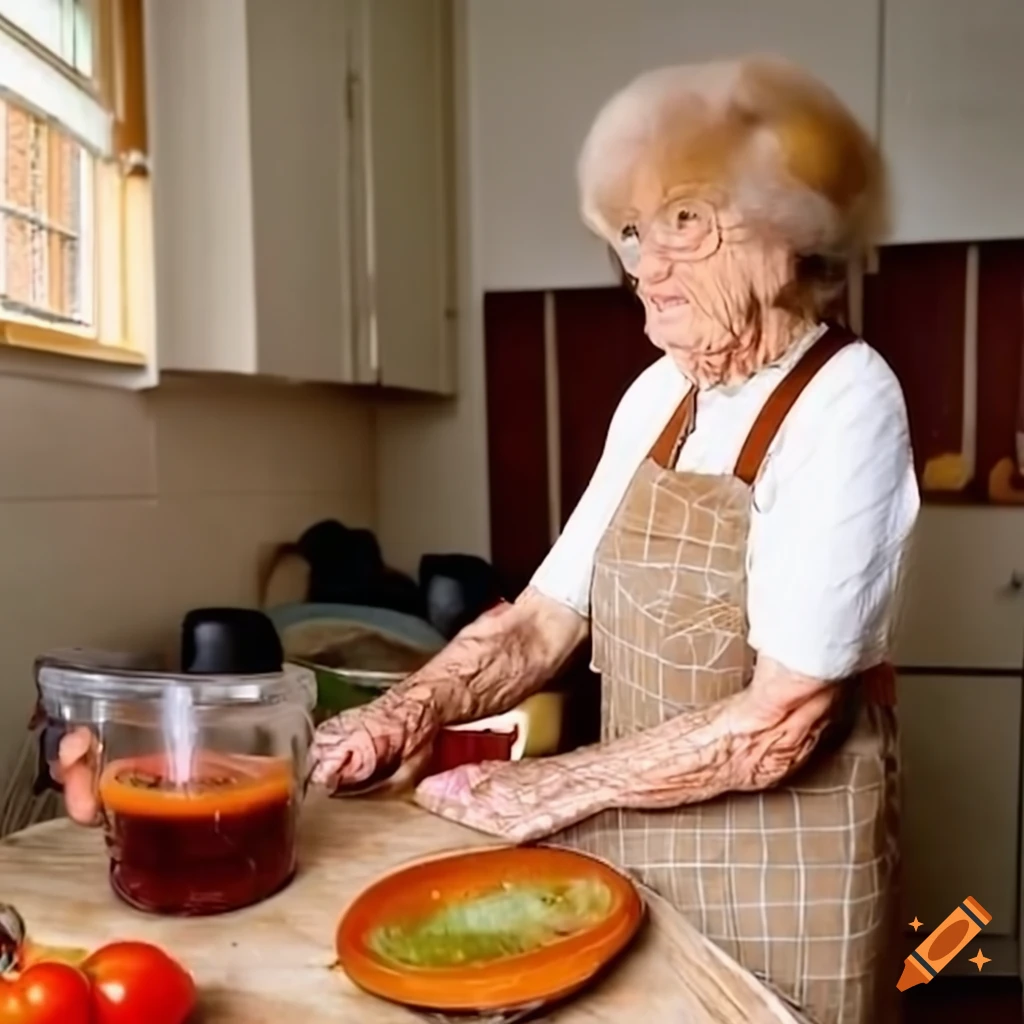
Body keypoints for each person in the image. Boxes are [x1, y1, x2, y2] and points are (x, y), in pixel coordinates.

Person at [55, 57, 917, 1024]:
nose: (646, 264)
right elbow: (546, 622)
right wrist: (411, 711)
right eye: (632, 231)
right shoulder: (661, 393)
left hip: (785, 864)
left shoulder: (848, 400)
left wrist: (544, 788)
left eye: (684, 220)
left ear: (788, 233)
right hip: (633, 837)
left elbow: (781, 722)